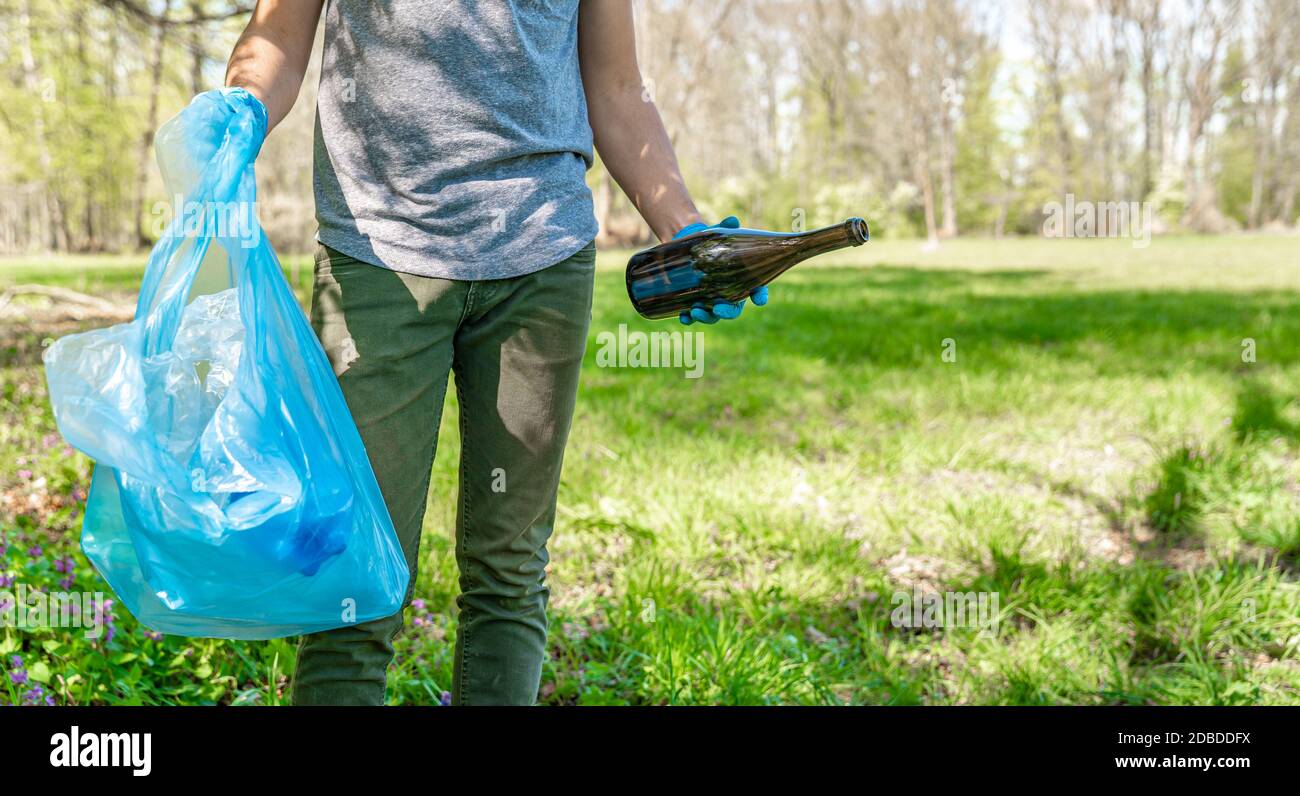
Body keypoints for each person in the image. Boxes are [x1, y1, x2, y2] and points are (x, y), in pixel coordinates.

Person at [224, 0, 769, 705]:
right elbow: (279, 35)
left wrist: (684, 226)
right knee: (355, 565)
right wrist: (236, 116)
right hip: (377, 256)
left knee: (510, 567)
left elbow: (616, 88)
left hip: (542, 256)